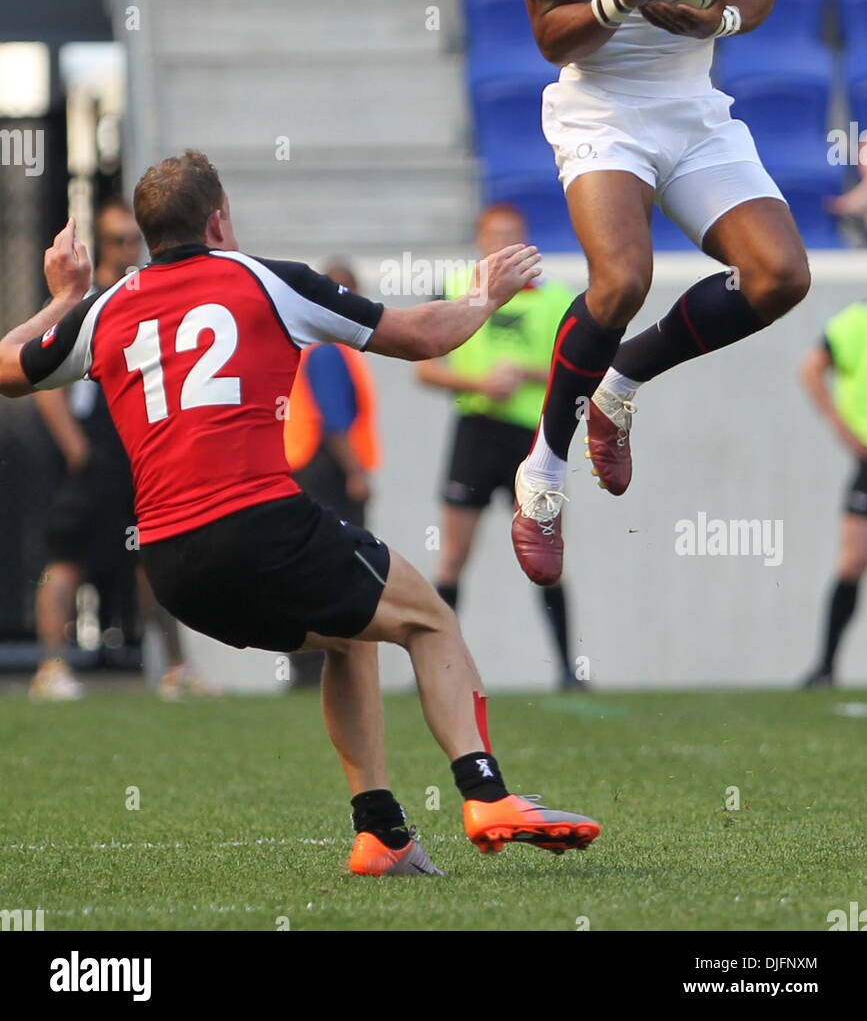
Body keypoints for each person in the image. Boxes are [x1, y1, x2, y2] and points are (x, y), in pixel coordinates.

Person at [0, 151, 600, 876]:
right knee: (430, 618)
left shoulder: (106, 308)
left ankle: (381, 834)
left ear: (151, 234)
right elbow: (420, 337)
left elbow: (8, 367)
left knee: (350, 639)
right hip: (260, 526)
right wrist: (486, 295)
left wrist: (65, 294)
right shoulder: (264, 278)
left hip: (171, 565)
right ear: (220, 217)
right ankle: (489, 794)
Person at [511, 0, 810, 586]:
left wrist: (714, 22)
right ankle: (545, 471)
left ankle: (624, 377)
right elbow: (547, 38)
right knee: (620, 279)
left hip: (691, 107)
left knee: (780, 276)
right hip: (601, 108)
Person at [29, 200, 197, 702]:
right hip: (99, 452)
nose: (130, 248)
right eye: (119, 240)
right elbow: (41, 380)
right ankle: (51, 668)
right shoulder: (84, 302)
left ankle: (176, 671)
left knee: (156, 556)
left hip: (143, 452)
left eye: (134, 239)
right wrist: (78, 449)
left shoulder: (145, 294)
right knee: (68, 557)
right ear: (101, 245)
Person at [416, 203, 580, 689]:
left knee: (547, 555)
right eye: (495, 235)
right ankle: (436, 670)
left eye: (513, 235)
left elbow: (583, 370)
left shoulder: (559, 299)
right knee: (453, 555)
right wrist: (482, 383)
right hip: (476, 430)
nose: (503, 243)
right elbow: (425, 368)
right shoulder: (453, 290)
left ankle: (568, 670)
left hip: (535, 440)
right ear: (480, 240)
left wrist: (527, 374)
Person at [283, 260, 381, 689]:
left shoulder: (317, 344)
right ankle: (319, 667)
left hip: (311, 467)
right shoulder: (327, 348)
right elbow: (335, 420)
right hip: (326, 470)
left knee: (312, 567)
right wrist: (356, 472)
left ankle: (315, 666)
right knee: (338, 567)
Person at [799, 305, 867, 686]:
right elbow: (810, 368)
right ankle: (825, 667)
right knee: (853, 561)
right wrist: (840, 427)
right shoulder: (856, 323)